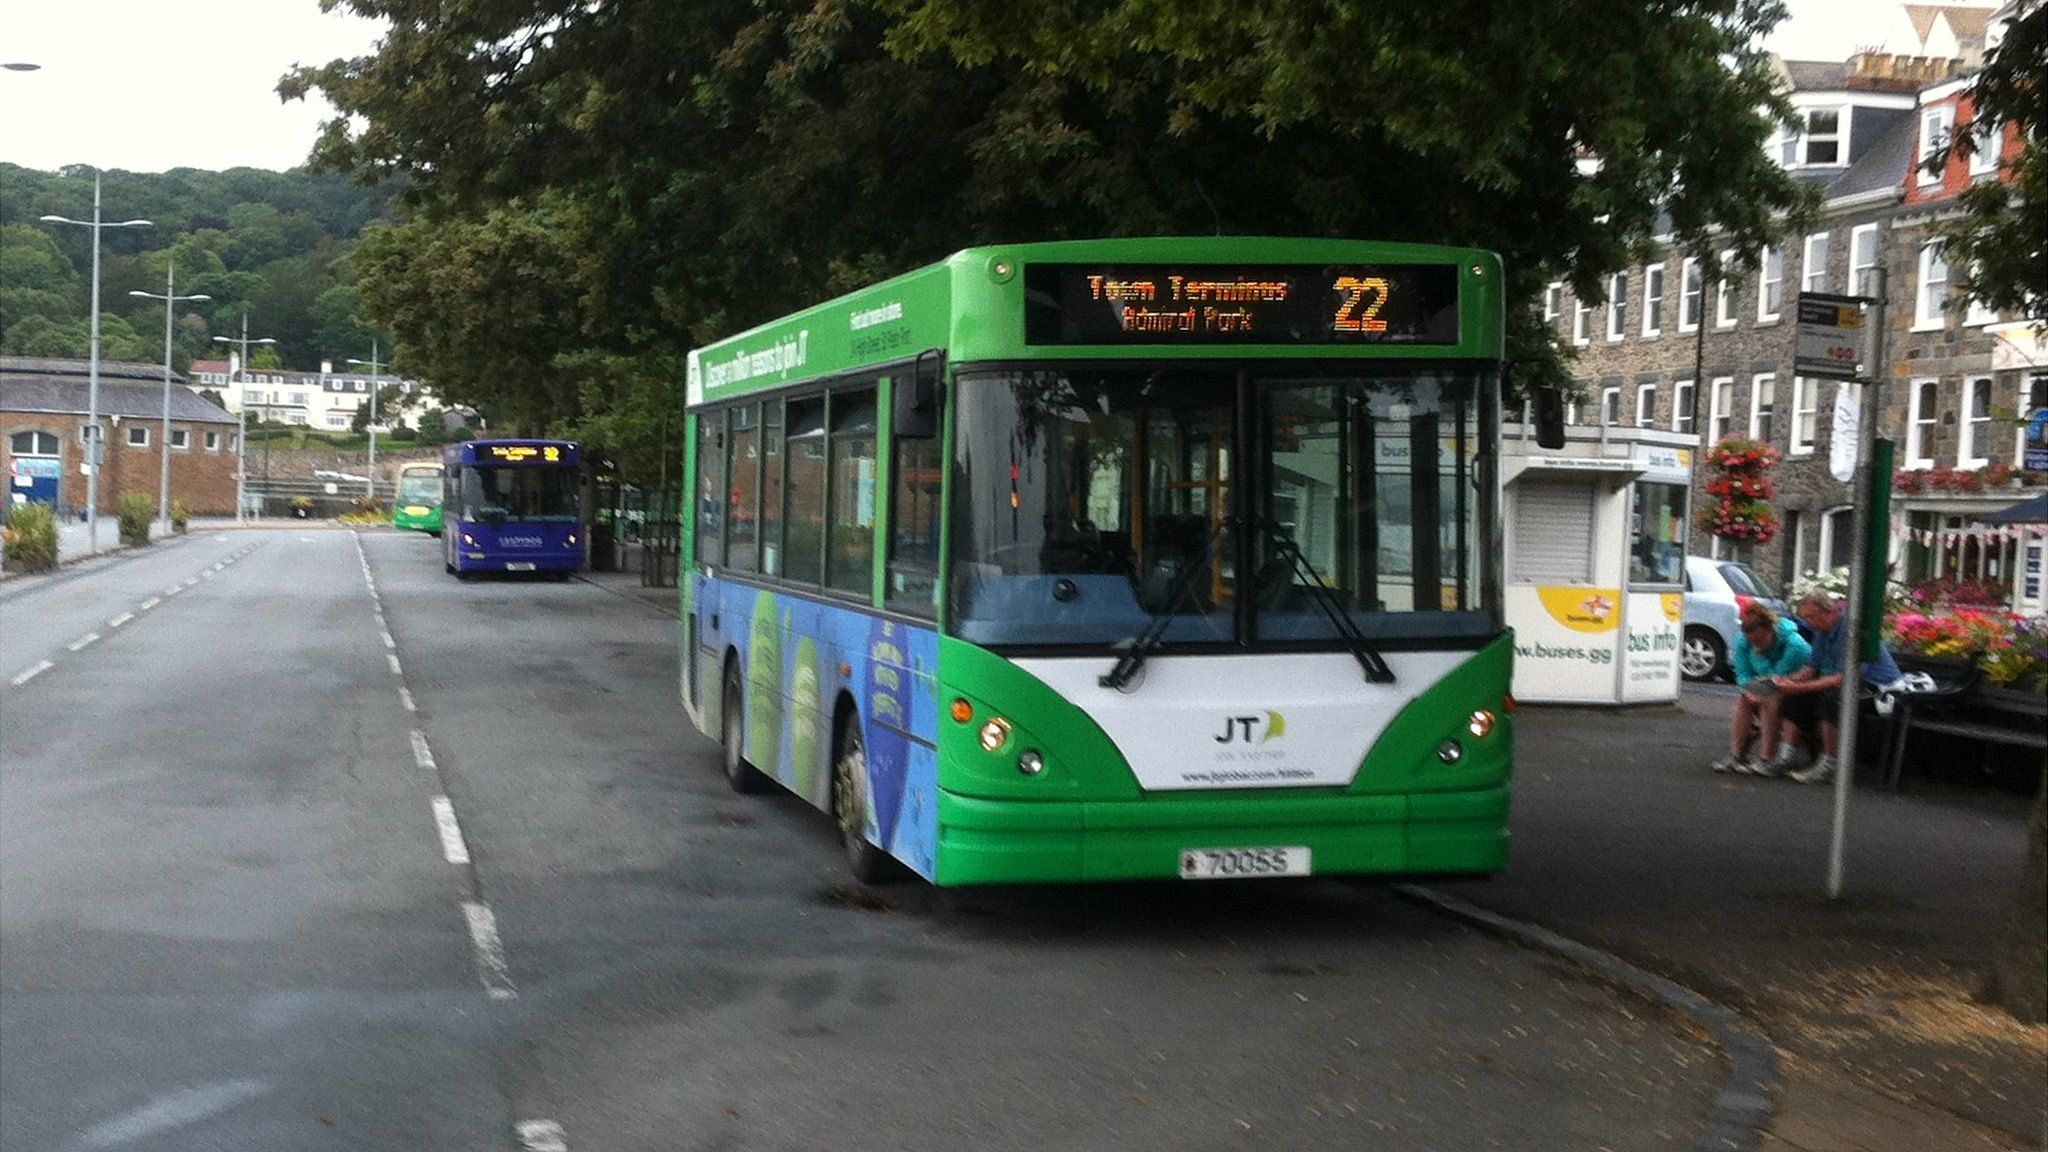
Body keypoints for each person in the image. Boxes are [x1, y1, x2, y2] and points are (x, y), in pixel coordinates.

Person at [1773, 590, 1902, 785]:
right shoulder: (1821, 632)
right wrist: (1788, 681)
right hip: (1847, 683)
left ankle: (1830, 765)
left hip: (1878, 689)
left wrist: (1800, 687)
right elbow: (1811, 668)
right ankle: (1786, 755)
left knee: (1831, 699)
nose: (1807, 623)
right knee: (1794, 697)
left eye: (1811, 617)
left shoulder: (1850, 630)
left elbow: (1843, 678)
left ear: (1828, 612)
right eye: (1805, 617)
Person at [1712, 602, 1812, 775]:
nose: (1756, 645)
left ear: (1770, 631)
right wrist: (1748, 691)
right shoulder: (1743, 642)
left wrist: (1759, 682)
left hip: (1796, 689)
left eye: (1760, 640)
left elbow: (1778, 677)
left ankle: (1767, 756)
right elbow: (1743, 674)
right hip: (1768, 686)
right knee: (1744, 700)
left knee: (1769, 698)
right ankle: (1737, 756)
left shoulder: (1795, 646)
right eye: (1752, 642)